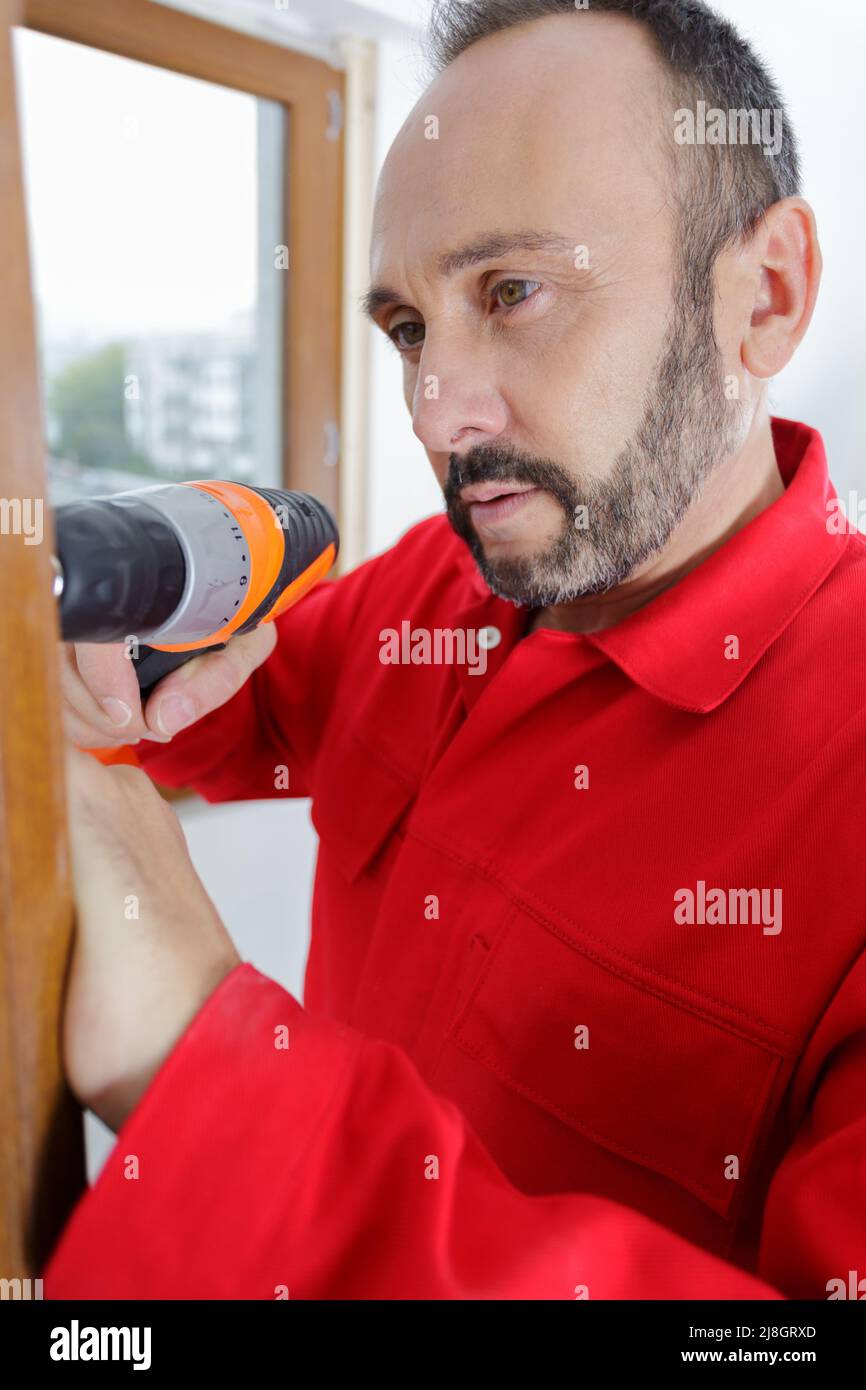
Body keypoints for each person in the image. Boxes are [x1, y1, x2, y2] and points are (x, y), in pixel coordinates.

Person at [48, 0, 866, 1298]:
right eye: (409, 328)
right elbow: (240, 704)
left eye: (515, 290)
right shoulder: (441, 585)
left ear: (761, 296)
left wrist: (200, 1058)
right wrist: (105, 663)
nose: (440, 413)